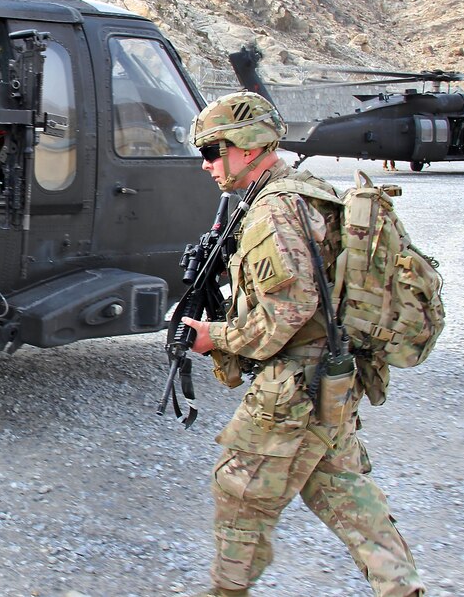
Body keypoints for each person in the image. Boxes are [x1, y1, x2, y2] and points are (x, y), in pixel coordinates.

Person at [179, 91, 425, 597]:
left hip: (294, 385)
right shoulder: (308, 191)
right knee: (343, 490)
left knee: (241, 493)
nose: (205, 165)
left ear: (244, 147)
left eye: (210, 151)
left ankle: (226, 592)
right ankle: (401, 588)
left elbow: (284, 314)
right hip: (331, 376)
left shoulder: (274, 209)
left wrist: (213, 337)